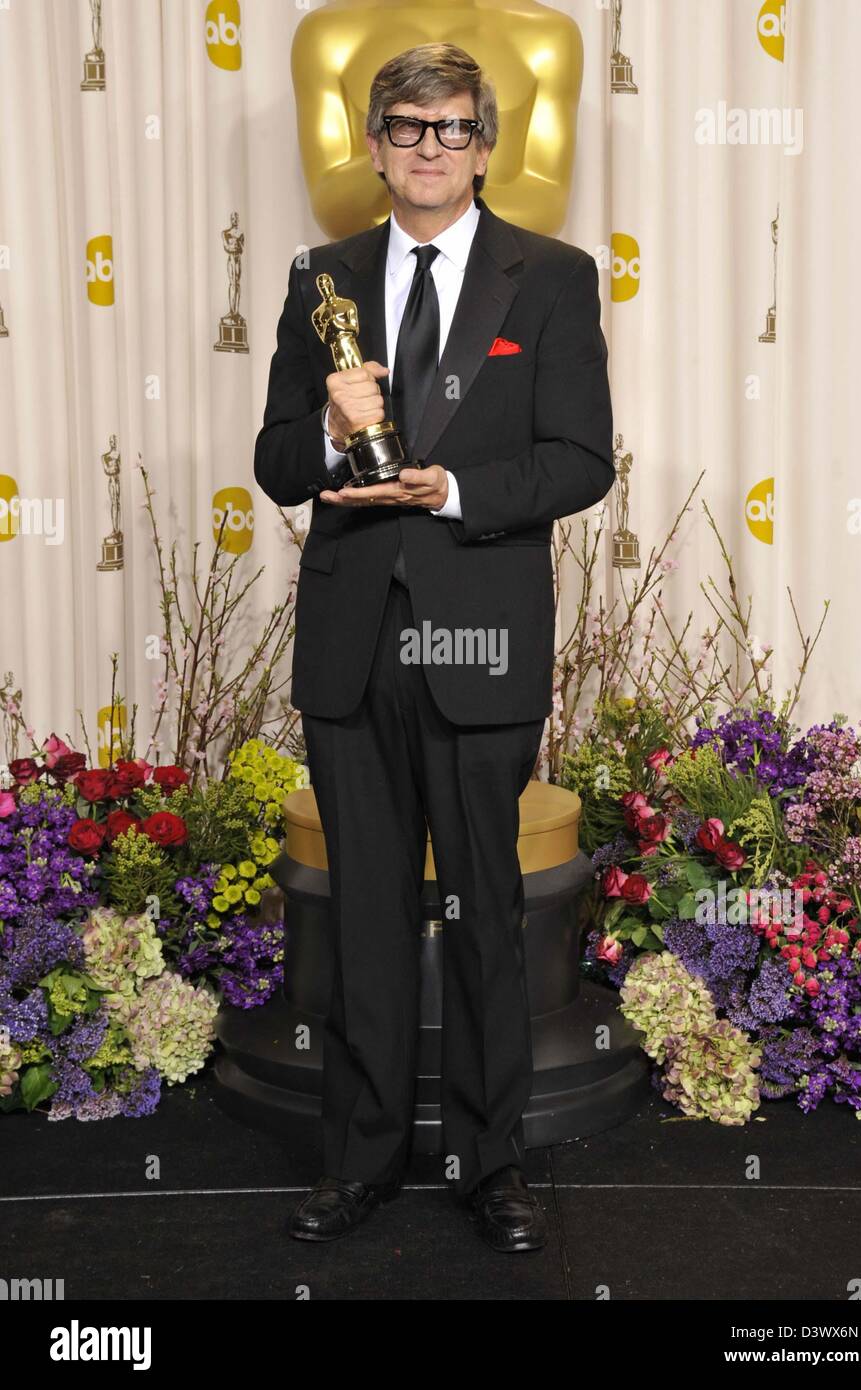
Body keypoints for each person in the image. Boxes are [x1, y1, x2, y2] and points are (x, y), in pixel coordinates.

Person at [254, 43, 614, 1254]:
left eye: (453, 128)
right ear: (373, 142)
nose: (428, 148)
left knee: (485, 909)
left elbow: (579, 459)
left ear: (485, 143)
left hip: (483, 641)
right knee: (363, 912)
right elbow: (273, 462)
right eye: (406, 127)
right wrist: (324, 428)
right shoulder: (322, 276)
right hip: (350, 647)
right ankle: (359, 1163)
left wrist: (454, 486)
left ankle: (488, 1161)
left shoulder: (552, 277)